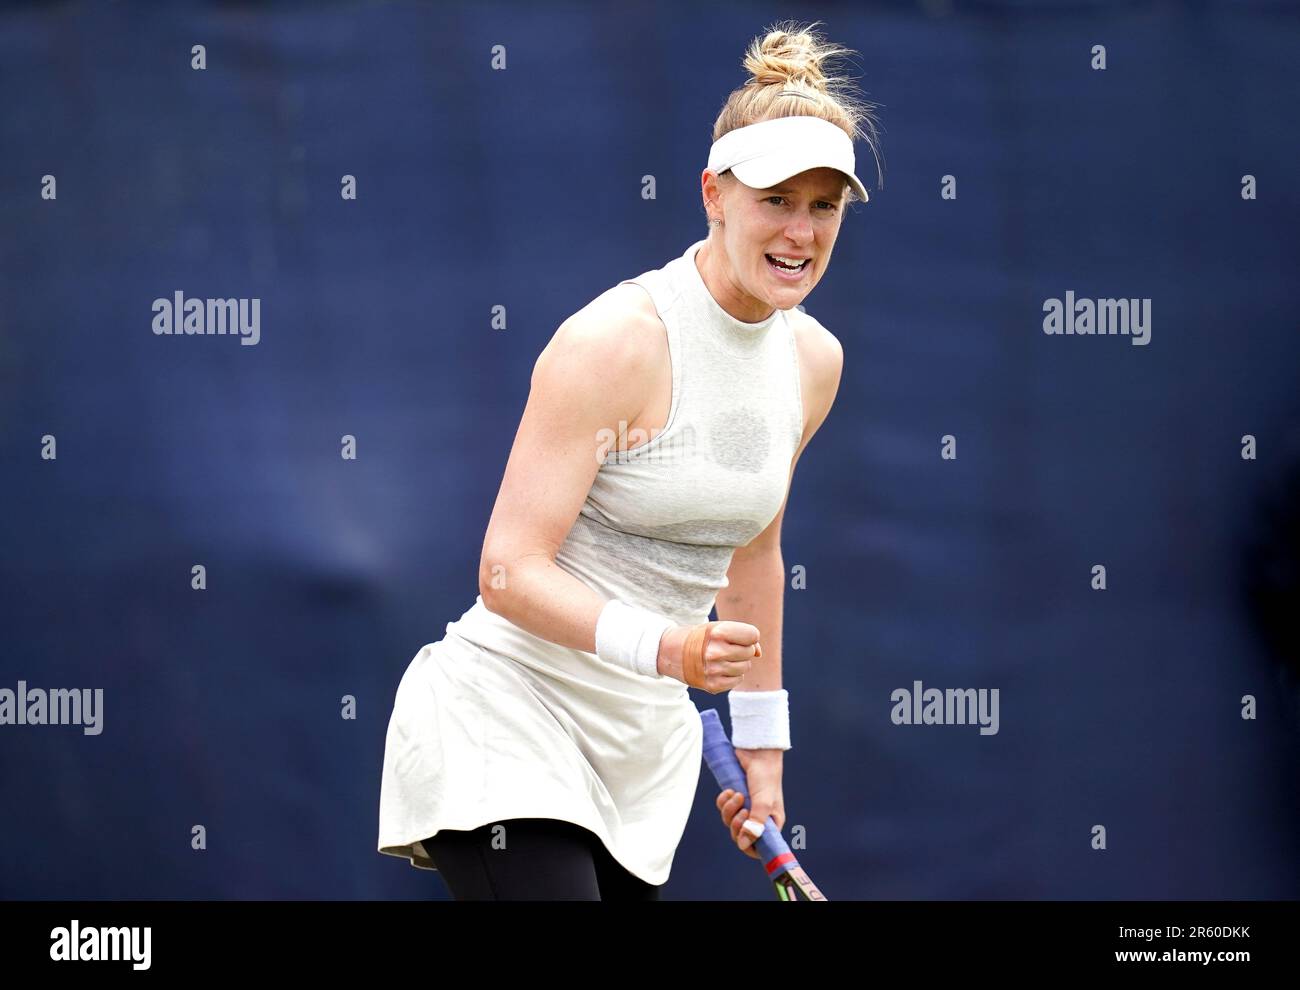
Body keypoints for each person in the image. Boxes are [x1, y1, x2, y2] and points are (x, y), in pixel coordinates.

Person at [377, 19, 882, 900]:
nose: (801, 232)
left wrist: (761, 745)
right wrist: (672, 647)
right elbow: (506, 570)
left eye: (824, 205)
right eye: (776, 199)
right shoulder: (618, 341)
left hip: (643, 756)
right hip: (508, 718)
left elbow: (754, 555)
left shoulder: (814, 362)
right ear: (712, 195)